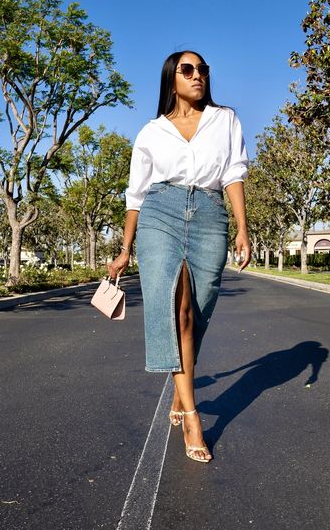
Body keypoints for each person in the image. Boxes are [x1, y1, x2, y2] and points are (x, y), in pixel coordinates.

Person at [108, 50, 251, 463]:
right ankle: (192, 415)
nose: (197, 75)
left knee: (198, 313)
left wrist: (242, 228)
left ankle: (179, 389)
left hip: (209, 213)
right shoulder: (152, 131)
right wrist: (124, 249)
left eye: (203, 69)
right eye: (188, 70)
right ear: (172, 79)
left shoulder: (225, 119)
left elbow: (234, 174)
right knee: (174, 311)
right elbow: (135, 195)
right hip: (160, 212)